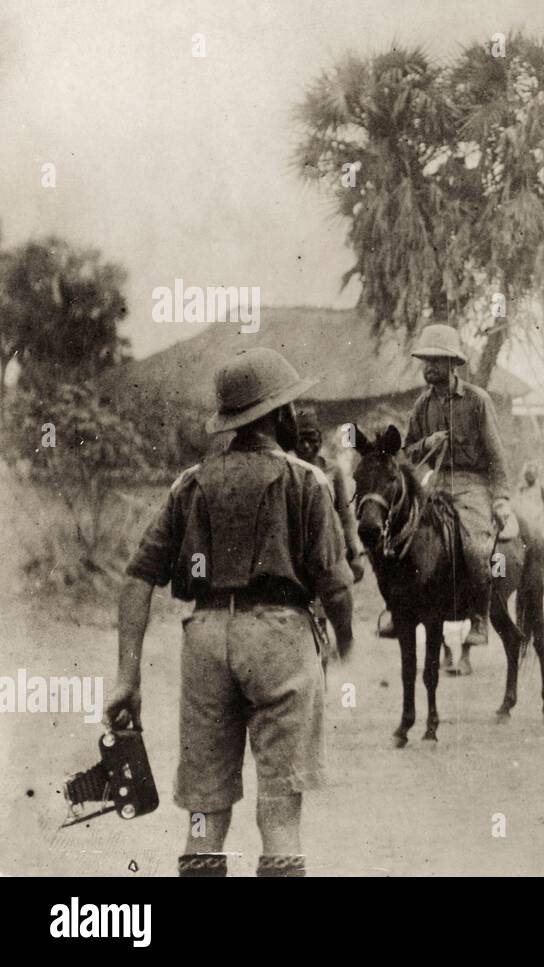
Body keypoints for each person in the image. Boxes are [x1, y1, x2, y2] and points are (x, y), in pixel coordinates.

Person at [105, 348, 355, 877]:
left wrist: (128, 676)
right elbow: (335, 585)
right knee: (280, 810)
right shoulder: (307, 481)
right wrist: (345, 638)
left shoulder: (190, 483)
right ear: (280, 415)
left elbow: (137, 576)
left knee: (204, 811)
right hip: (280, 639)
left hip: (206, 637)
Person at [404, 324, 513, 665]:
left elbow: (496, 454)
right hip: (436, 482)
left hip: (472, 483)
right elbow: (407, 452)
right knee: (404, 536)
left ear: (453, 365)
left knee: (474, 545)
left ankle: (479, 617)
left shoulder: (477, 401)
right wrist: (428, 443)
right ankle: (400, 610)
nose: (429, 367)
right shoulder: (422, 406)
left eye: (436, 361)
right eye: (426, 361)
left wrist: (500, 497)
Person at [294, 406, 366, 584]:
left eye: (311, 439)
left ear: (320, 439)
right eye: (300, 440)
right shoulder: (288, 470)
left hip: (330, 548)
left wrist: (355, 552)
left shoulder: (333, 470)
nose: (306, 446)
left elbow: (345, 514)